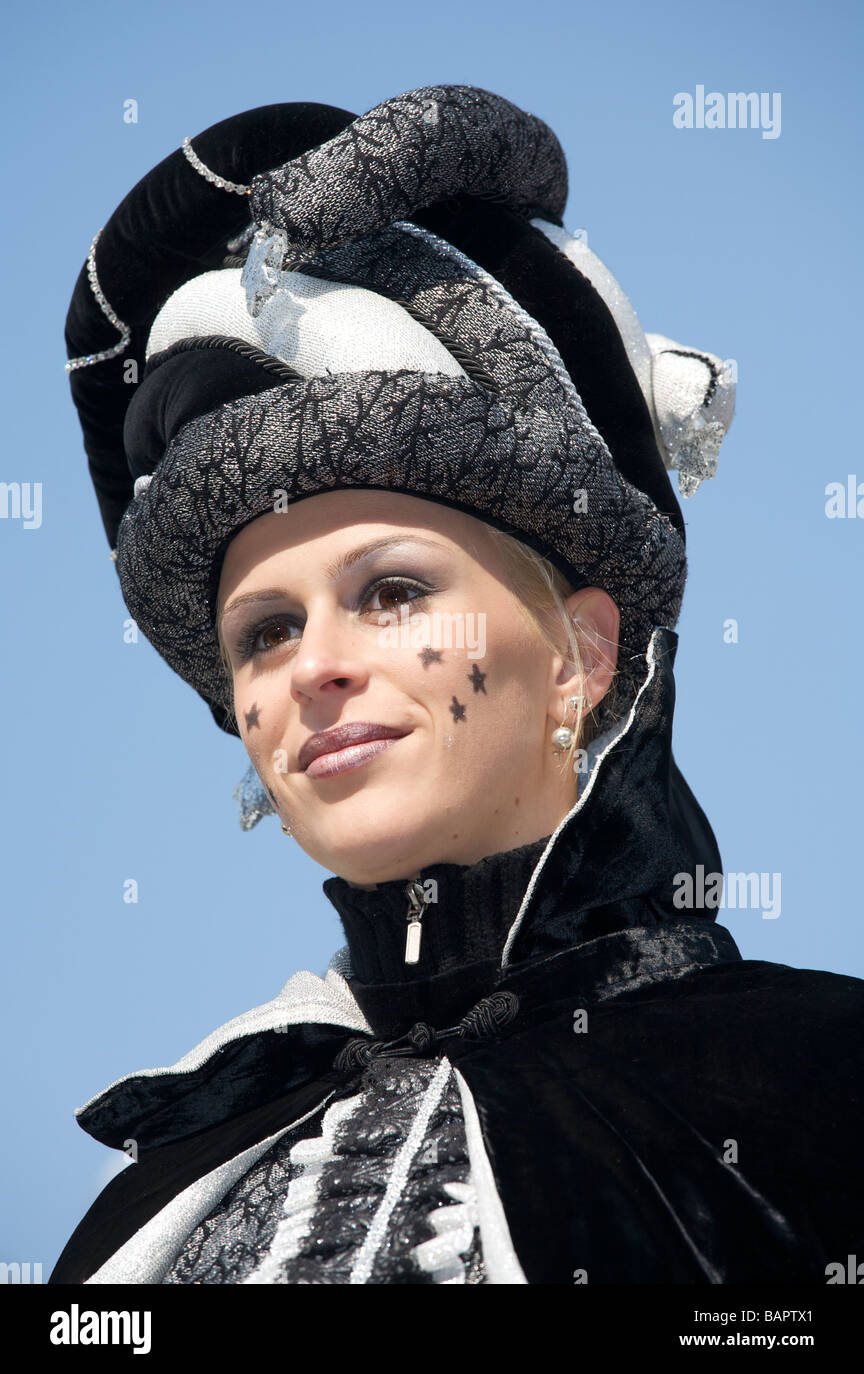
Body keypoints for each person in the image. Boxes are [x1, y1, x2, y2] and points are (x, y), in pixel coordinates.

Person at [50, 84, 863, 1286]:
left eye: (390, 591)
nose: (315, 665)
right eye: (265, 631)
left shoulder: (826, 1086)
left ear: (582, 656)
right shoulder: (142, 1213)